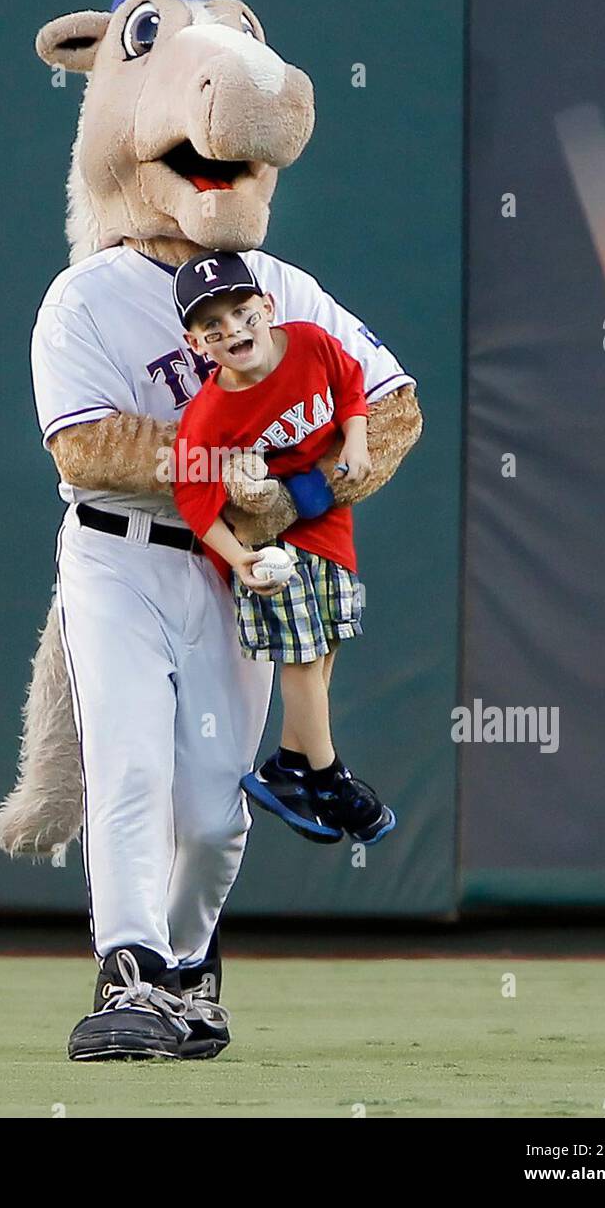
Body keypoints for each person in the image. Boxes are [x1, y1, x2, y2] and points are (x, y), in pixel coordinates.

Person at [171, 250, 397, 847]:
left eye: (243, 312)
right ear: (197, 345)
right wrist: (239, 557)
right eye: (213, 327)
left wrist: (356, 438)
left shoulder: (312, 344)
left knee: (328, 645)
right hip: (265, 538)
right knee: (299, 653)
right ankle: (328, 773)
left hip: (325, 518)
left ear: (266, 307)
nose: (234, 330)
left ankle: (289, 765)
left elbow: (352, 383)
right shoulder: (209, 416)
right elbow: (195, 499)